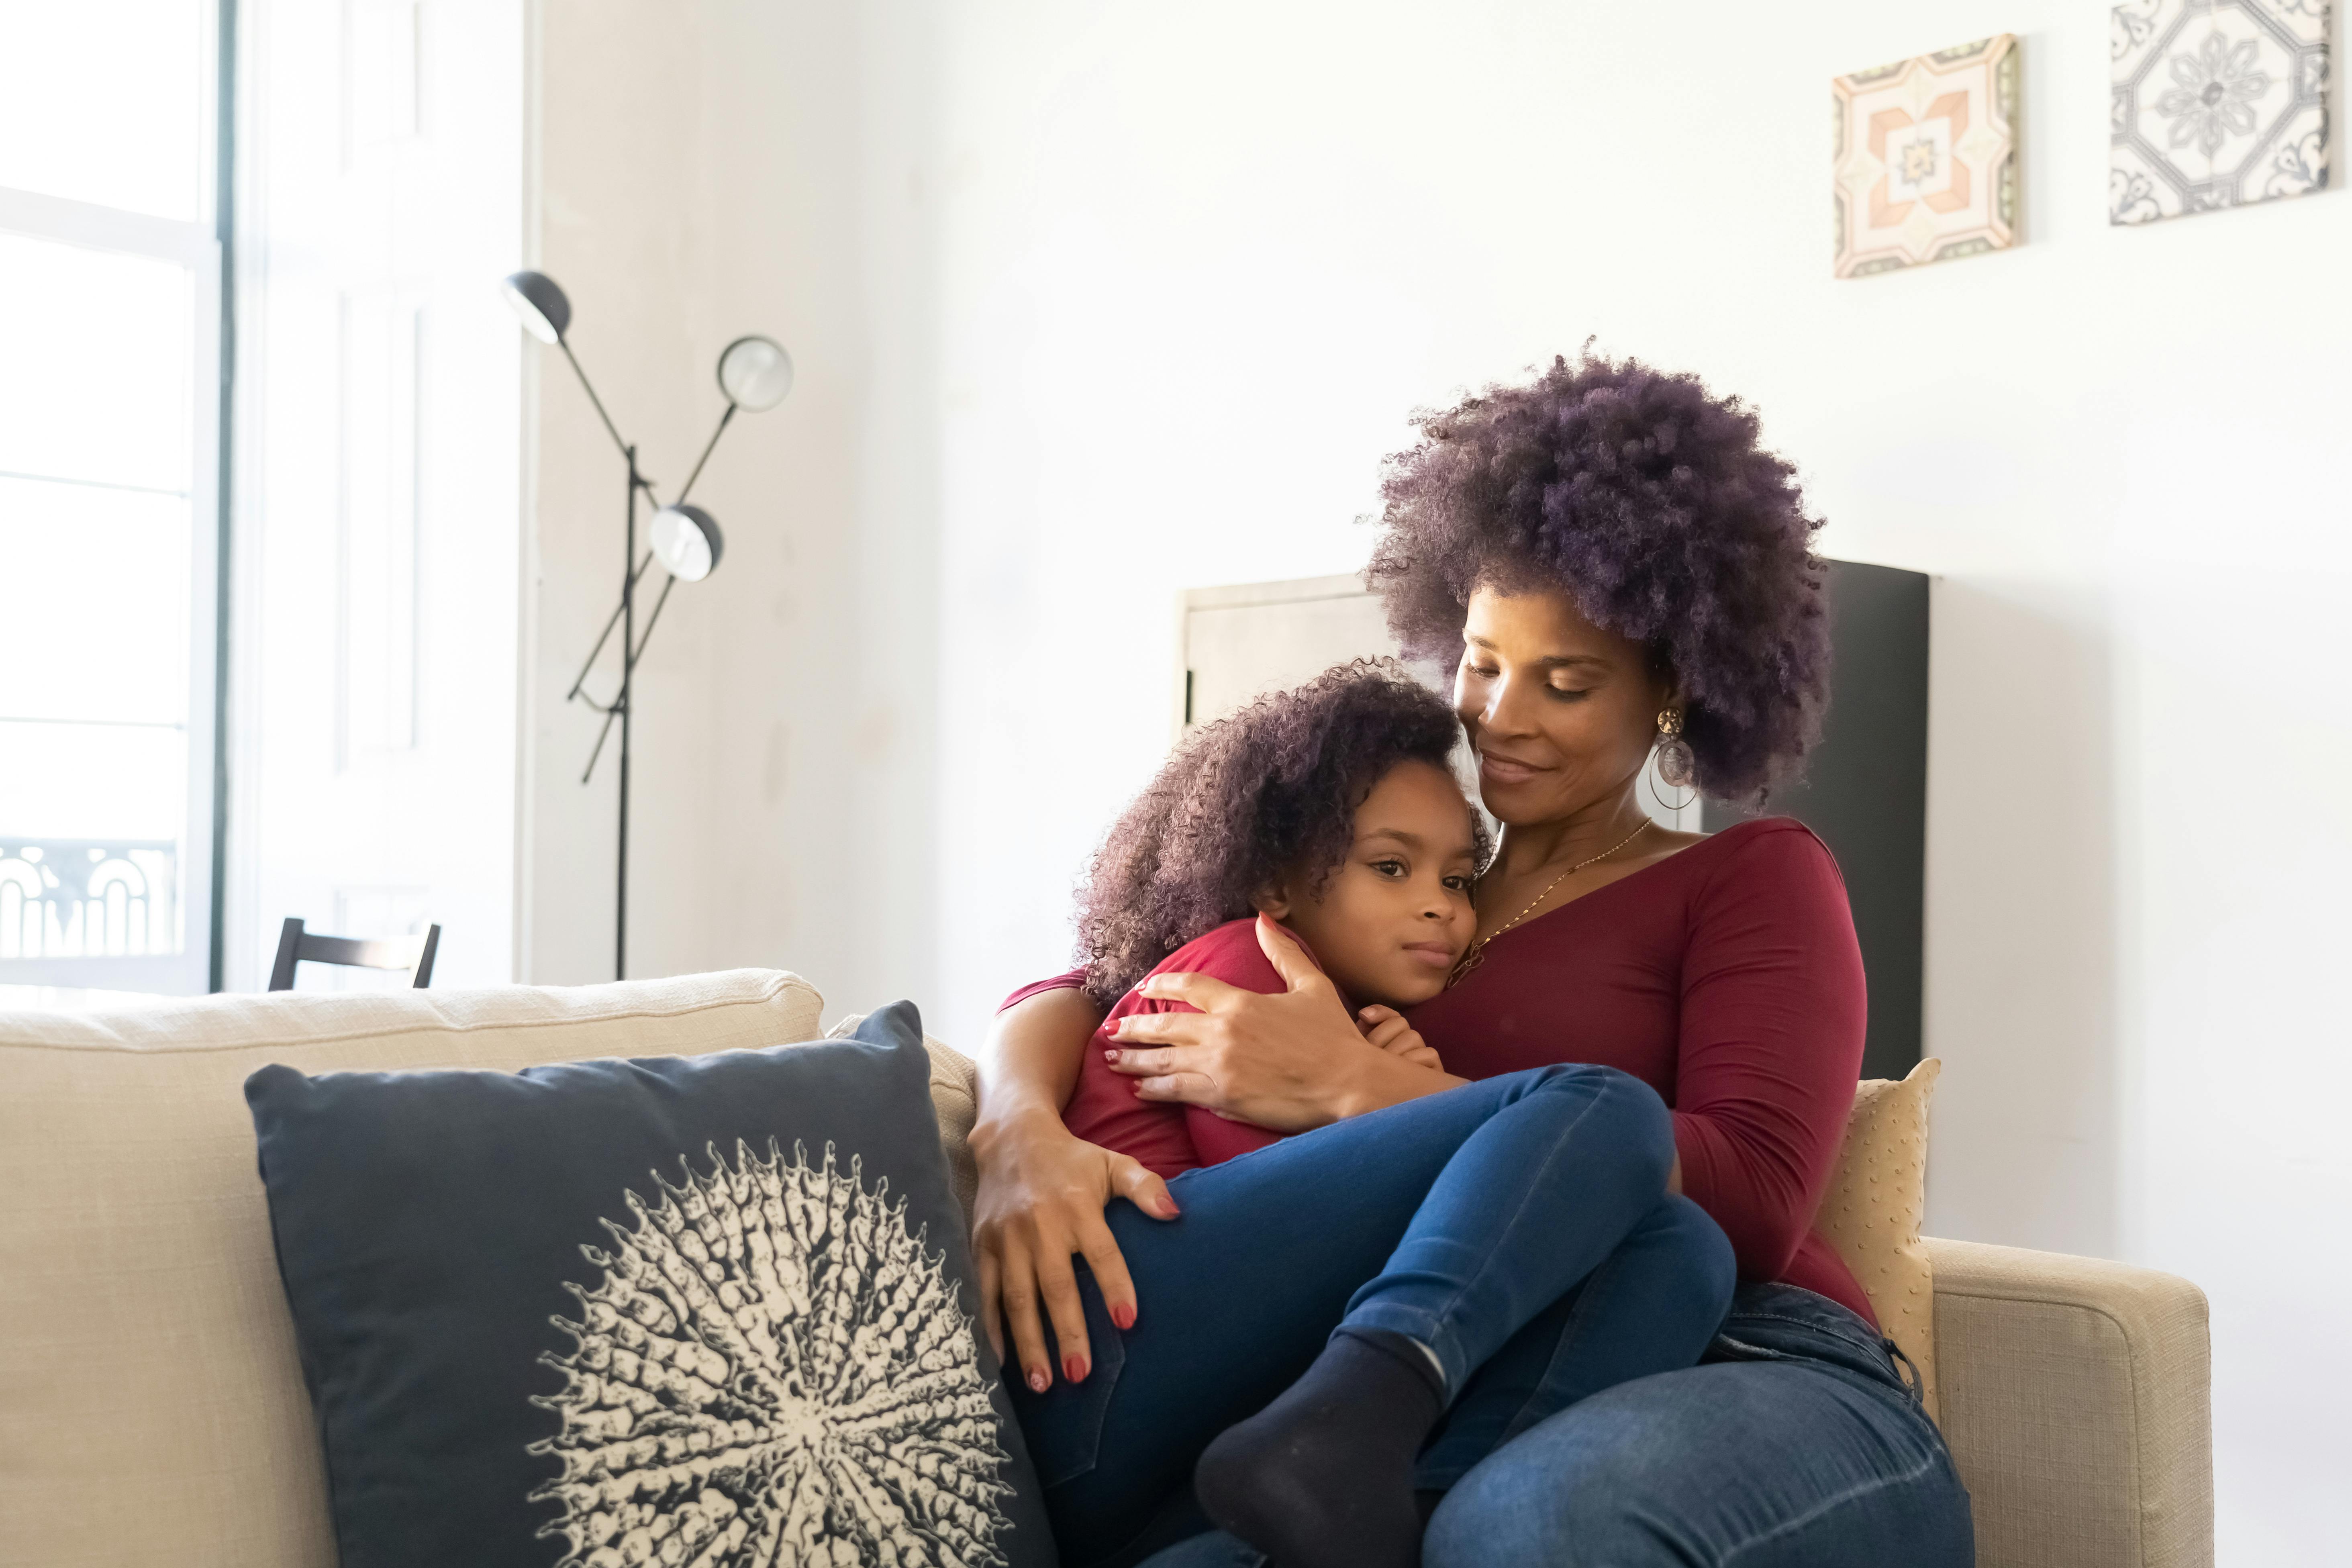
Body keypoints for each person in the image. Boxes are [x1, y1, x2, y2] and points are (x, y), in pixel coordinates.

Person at [974, 351, 1976, 1566]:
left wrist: (1361, 1090)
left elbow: (1759, 1202)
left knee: (1545, 1503)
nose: (1501, 714)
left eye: (1566, 683)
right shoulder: (1391, 880)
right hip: (1472, 1370)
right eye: (1483, 663)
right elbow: (1109, 984)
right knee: (1460, 1511)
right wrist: (1016, 1127)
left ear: (1673, 693)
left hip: (1750, 1350)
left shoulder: (1753, 875)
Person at [1004, 659, 1735, 1568]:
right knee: (1601, 1103)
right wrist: (1379, 1104)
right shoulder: (1231, 970)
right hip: (1097, 1377)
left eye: (1462, 879)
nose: (1438, 902)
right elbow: (1308, 1213)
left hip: (1201, 1441)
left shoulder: (1349, 1020)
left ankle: (1373, 1517)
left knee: (1680, 1245)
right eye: (1392, 866)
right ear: (1277, 880)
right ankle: (1362, 1414)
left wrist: (1362, 1079)